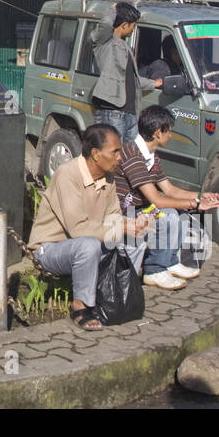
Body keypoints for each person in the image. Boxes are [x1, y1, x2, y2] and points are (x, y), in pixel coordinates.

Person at [27, 123, 150, 331]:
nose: (120, 157)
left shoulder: (108, 177)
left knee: (136, 240)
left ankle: (117, 294)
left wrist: (130, 225)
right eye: (115, 152)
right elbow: (78, 229)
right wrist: (120, 229)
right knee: (89, 245)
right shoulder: (67, 174)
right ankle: (80, 307)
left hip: (88, 243)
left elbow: (113, 215)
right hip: (52, 248)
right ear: (95, 154)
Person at [111, 105, 219, 290]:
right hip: (125, 213)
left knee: (177, 212)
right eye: (169, 131)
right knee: (168, 215)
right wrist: (195, 203)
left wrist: (202, 196)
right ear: (158, 133)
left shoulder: (151, 156)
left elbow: (169, 190)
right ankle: (154, 270)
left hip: (141, 209)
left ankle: (169, 262)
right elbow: (157, 200)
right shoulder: (133, 156)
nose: (171, 135)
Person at [91, 2, 162, 142]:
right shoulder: (105, 42)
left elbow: (131, 79)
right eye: (133, 25)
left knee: (129, 157)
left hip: (130, 112)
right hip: (113, 111)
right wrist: (112, 9)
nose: (133, 29)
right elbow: (105, 26)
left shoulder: (125, 45)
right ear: (124, 25)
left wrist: (153, 83)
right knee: (113, 155)